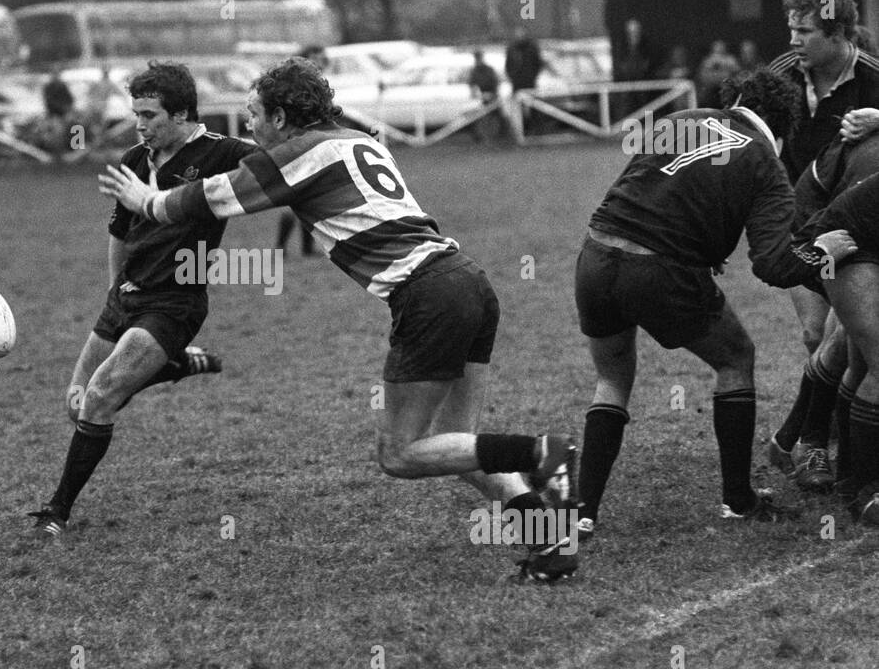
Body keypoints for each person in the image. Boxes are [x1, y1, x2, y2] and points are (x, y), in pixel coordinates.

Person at [100, 57, 581, 583]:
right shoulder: (358, 140)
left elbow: (207, 198)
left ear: (282, 117)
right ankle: (550, 544)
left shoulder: (295, 154)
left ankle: (543, 453)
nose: (249, 127)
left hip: (427, 295)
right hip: (468, 280)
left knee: (400, 454)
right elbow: (344, 131)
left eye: (254, 113)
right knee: (454, 445)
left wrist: (146, 200)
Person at [572, 68, 856, 539]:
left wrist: (701, 240)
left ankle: (583, 512)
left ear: (737, 100)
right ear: (782, 125)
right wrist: (825, 250)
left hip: (597, 256)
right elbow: (774, 265)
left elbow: (646, 190)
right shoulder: (766, 161)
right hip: (660, 271)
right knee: (736, 357)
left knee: (612, 377)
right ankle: (738, 500)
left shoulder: (683, 117)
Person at [26, 62, 252, 539]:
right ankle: (172, 366)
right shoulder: (133, 158)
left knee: (102, 395)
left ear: (184, 113)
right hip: (126, 299)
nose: (140, 124)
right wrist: (115, 293)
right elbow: (119, 233)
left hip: (175, 302)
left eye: (149, 114)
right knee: (77, 403)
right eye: (136, 113)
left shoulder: (220, 153)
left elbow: (281, 161)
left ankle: (56, 511)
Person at [764, 0, 879, 474]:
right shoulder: (782, 75)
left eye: (804, 32)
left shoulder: (874, 76)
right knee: (821, 337)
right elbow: (744, 144)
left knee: (844, 337)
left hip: (855, 227)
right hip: (798, 220)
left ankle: (808, 444)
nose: (793, 42)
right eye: (790, 29)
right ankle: (813, 441)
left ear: (838, 34)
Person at [792, 166, 879, 524]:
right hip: (842, 245)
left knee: (858, 363)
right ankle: (868, 490)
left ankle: (849, 479)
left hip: (868, 237)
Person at [275, 45, 326, 257]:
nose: (321, 62)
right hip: (296, 145)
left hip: (310, 144)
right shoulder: (296, 88)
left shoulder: (314, 85)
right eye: (316, 58)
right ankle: (280, 249)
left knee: (308, 197)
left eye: (322, 58)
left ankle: (305, 248)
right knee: (293, 200)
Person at [612, 18, 660, 121]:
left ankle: (649, 128)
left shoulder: (647, 46)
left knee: (648, 107)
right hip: (626, 87)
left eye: (635, 31)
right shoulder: (621, 47)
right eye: (630, 32)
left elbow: (649, 65)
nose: (633, 34)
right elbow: (620, 67)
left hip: (645, 87)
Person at [504, 26, 543, 134]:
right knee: (518, 108)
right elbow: (508, 66)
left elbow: (538, 64)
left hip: (530, 82)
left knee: (534, 106)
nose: (519, 36)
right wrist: (513, 77)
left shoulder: (532, 48)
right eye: (517, 34)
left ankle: (536, 129)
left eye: (521, 33)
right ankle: (521, 132)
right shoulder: (511, 49)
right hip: (517, 83)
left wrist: (532, 76)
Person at [467, 50, 504, 141]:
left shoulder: (488, 69)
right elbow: (471, 83)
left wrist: (493, 94)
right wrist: (475, 93)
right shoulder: (475, 71)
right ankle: (482, 136)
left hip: (492, 95)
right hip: (482, 96)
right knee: (481, 117)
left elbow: (496, 82)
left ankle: (500, 135)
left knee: (496, 116)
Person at [695, 40, 740, 109]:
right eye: (717, 50)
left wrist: (724, 65)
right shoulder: (708, 61)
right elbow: (703, 77)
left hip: (727, 90)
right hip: (711, 92)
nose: (719, 53)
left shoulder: (731, 60)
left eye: (721, 50)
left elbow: (736, 72)